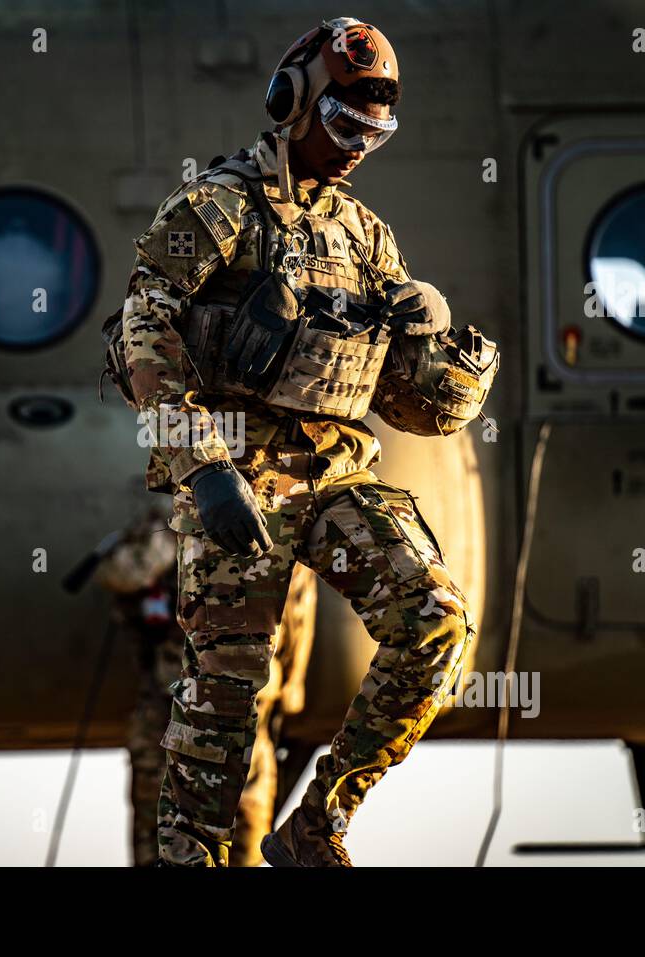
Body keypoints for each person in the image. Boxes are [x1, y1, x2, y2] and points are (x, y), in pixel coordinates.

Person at [108, 18, 499, 865]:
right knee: (219, 719)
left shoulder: (368, 238)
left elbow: (417, 411)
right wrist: (201, 464)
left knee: (436, 622)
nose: (361, 147)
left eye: (377, 132)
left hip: (332, 481)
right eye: (347, 124)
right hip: (237, 483)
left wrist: (440, 356)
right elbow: (140, 326)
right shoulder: (216, 207)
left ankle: (319, 822)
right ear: (295, 103)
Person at [94, 503, 317, 866]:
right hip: (178, 720)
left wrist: (288, 693)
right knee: (169, 845)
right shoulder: (186, 510)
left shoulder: (281, 520)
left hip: (237, 722)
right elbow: (125, 573)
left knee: (241, 846)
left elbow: (298, 616)